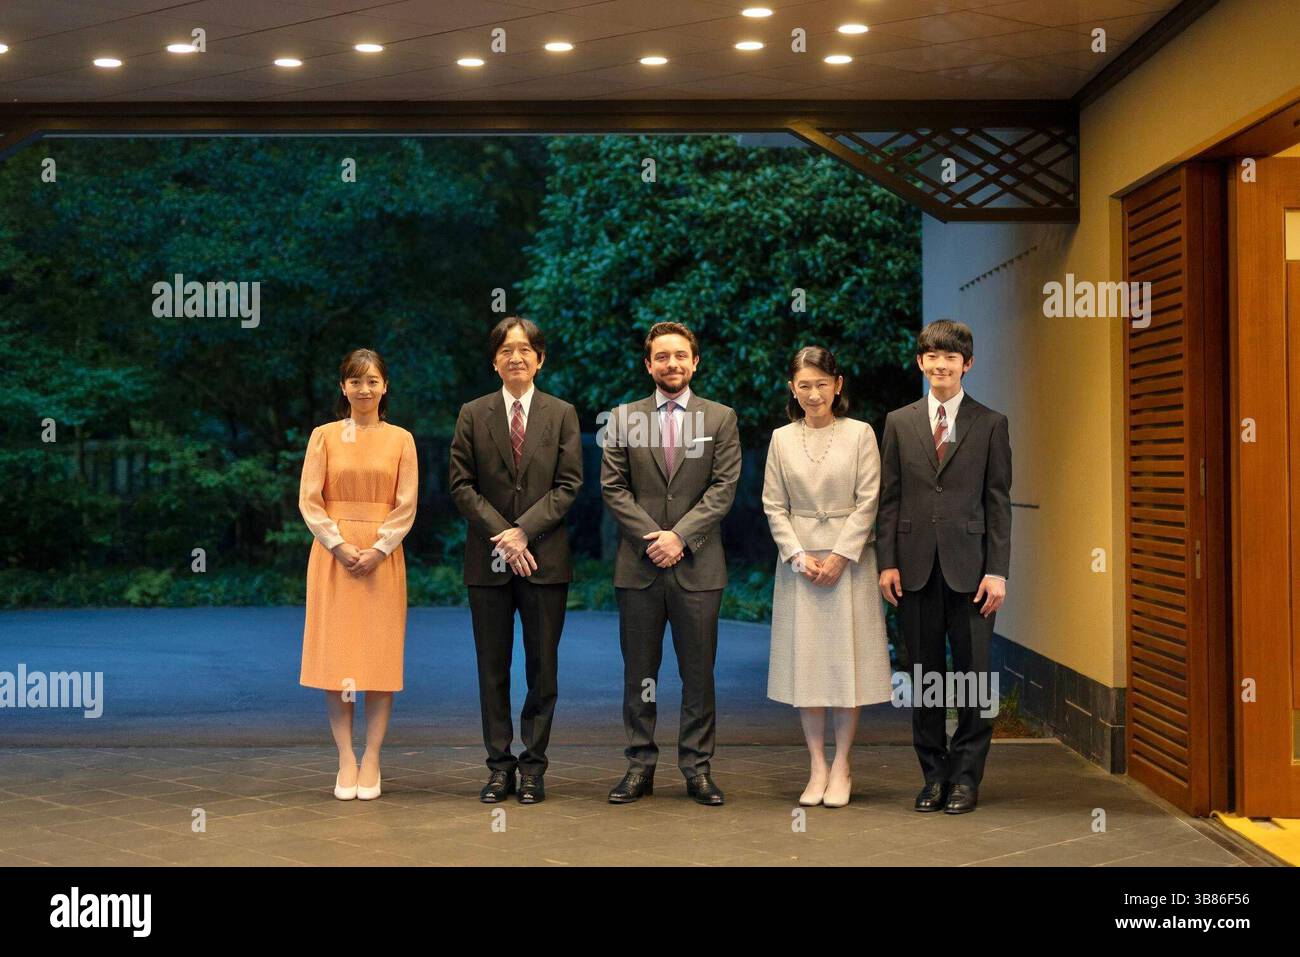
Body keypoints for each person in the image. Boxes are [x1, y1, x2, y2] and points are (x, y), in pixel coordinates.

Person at [600, 321, 741, 806]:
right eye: (662, 356)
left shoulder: (720, 418)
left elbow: (723, 488)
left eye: (681, 355)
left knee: (698, 675)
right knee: (639, 674)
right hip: (639, 568)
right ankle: (639, 766)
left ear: (695, 362)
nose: (672, 363)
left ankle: (697, 769)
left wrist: (679, 537)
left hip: (699, 567)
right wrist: (653, 540)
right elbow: (613, 488)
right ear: (649, 365)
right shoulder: (623, 418)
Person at [876, 320, 1011, 815]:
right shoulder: (898, 422)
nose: (940, 365)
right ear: (920, 362)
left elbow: (998, 502)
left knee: (974, 677)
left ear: (967, 364)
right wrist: (887, 562)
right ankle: (934, 776)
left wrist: (998, 571)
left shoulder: (991, 423)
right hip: (914, 570)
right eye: (932, 356)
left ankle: (966, 779)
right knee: (925, 675)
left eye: (951, 357)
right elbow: (889, 498)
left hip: (973, 572)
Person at [448, 316, 582, 805]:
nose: (516, 357)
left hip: (545, 559)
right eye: (506, 350)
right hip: (488, 561)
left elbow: (569, 484)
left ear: (539, 359)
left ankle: (534, 767)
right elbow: (461, 485)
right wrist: (504, 537)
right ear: (494, 361)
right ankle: (499, 767)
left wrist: (525, 531)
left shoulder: (561, 413)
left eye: (525, 349)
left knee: (542, 669)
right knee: (492, 668)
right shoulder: (473, 413)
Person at [762, 346, 892, 808]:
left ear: (838, 385)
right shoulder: (781, 439)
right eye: (804, 385)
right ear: (792, 389)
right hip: (800, 566)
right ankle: (817, 764)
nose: (813, 394)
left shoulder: (860, 434)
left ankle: (842, 765)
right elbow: (773, 504)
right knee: (809, 665)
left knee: (845, 664)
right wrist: (797, 555)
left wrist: (841, 555)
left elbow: (869, 499)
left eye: (821, 384)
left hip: (850, 564)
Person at [299, 348, 418, 802]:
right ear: (343, 387)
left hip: (382, 559)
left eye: (372, 381)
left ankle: (372, 757)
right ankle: (346, 757)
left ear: (385, 387)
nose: (364, 389)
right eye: (355, 381)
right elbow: (310, 500)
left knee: (379, 662)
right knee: (338, 661)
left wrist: (380, 548)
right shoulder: (324, 436)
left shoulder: (401, 440)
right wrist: (339, 544)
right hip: (334, 556)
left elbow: (406, 503)